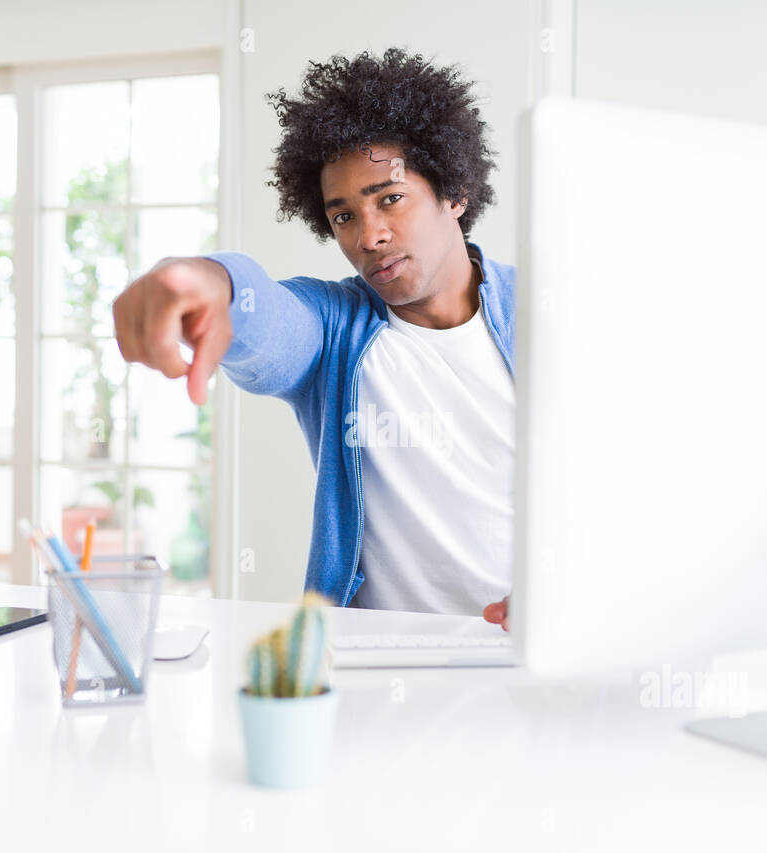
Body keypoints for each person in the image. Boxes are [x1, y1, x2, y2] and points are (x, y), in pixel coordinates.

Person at [113, 48, 511, 631]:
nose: (369, 235)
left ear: (453, 193)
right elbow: (267, 316)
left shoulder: (550, 315)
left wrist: (572, 591)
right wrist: (214, 284)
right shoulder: (334, 328)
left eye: (390, 198)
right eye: (343, 216)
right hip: (372, 671)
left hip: (536, 661)